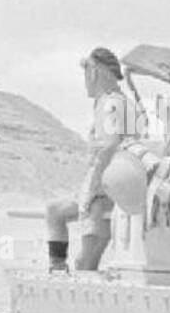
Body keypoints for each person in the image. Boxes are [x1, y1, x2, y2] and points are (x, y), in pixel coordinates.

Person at [45, 47, 130, 272]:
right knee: (55, 211)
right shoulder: (114, 101)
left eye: (85, 75)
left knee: (86, 263)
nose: (85, 82)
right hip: (102, 191)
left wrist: (93, 185)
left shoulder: (111, 102)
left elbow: (111, 144)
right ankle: (57, 268)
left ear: (93, 72)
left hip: (103, 194)